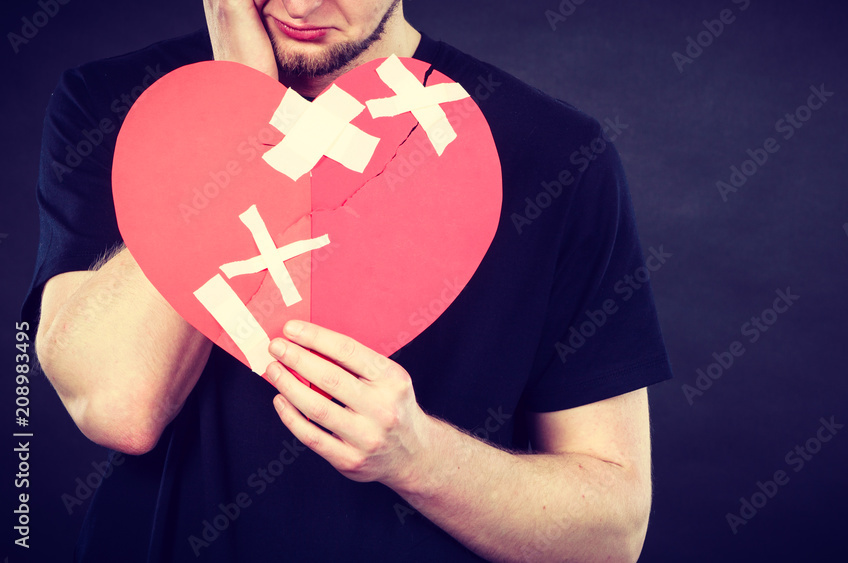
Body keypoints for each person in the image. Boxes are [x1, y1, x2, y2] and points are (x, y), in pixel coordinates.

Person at [24, 0, 672, 560]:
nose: (301, 5)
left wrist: (421, 459)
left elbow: (612, 530)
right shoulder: (114, 103)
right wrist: (242, 112)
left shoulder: (556, 156)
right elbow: (117, 407)